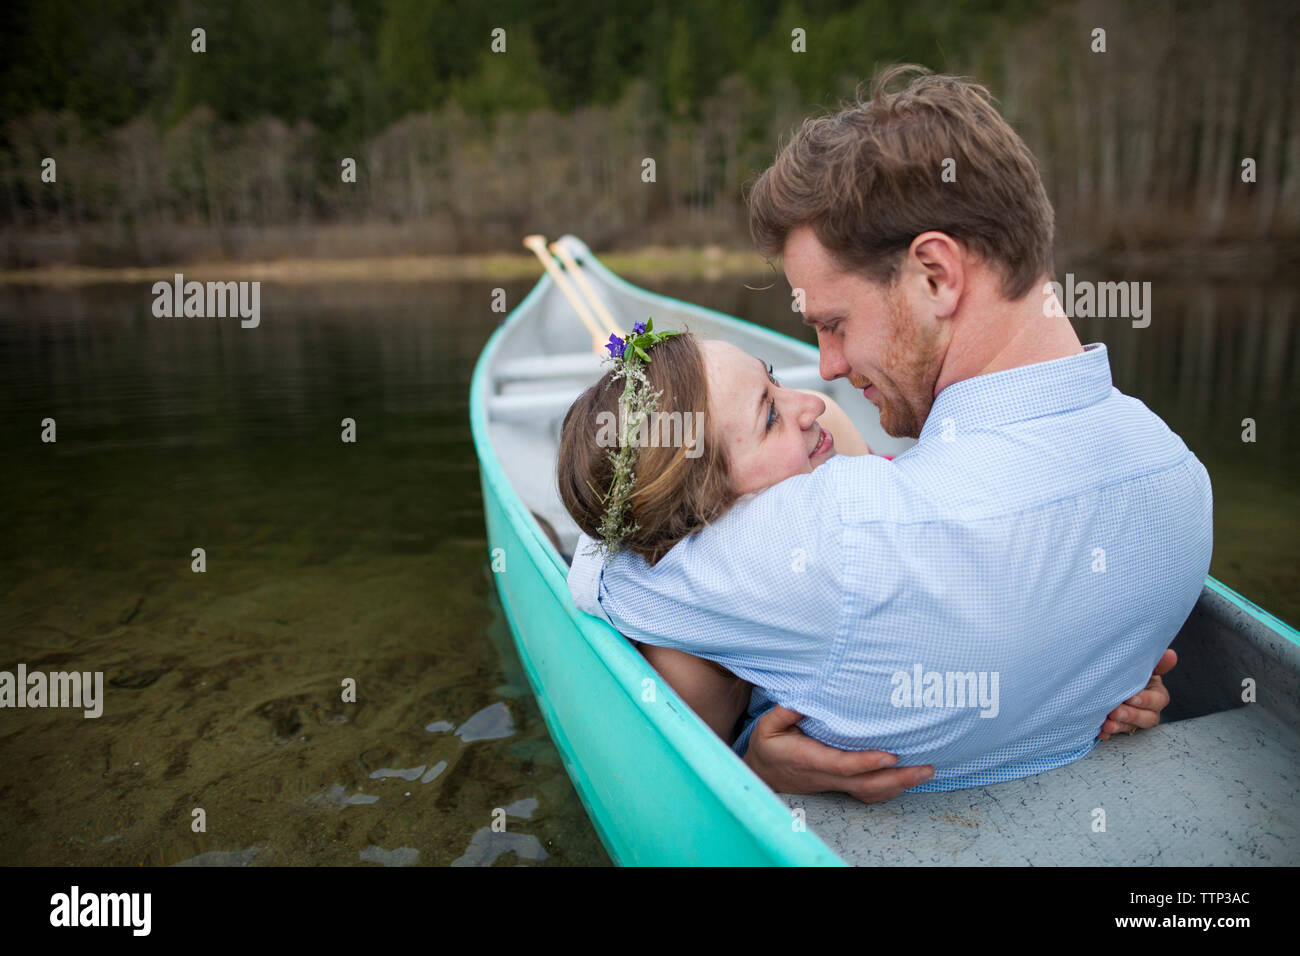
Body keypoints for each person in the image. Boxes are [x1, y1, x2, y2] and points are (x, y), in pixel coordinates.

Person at [563, 63, 1209, 800]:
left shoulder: (841, 535)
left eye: (832, 325)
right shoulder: (1181, 483)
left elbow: (616, 545)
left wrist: (751, 767)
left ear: (935, 275)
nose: (829, 370)